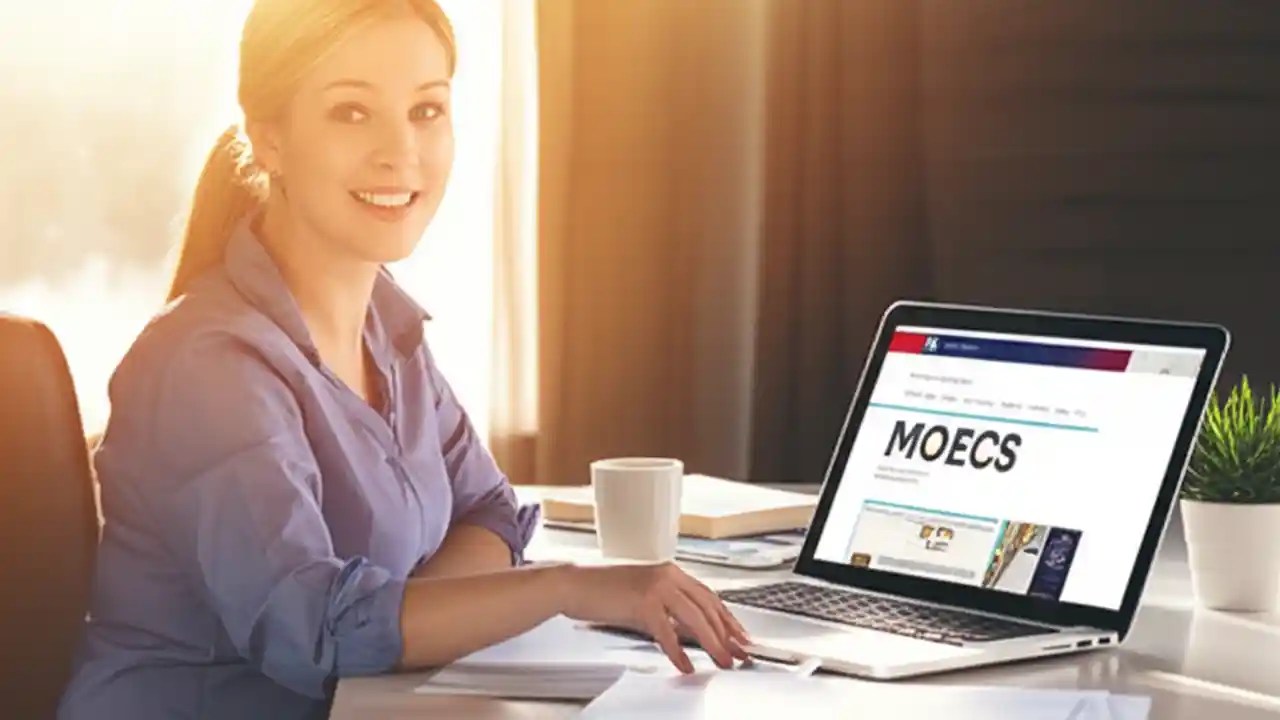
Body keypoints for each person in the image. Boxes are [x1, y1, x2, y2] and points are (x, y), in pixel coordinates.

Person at [57, 1, 749, 718]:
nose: (401, 152)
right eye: (352, 113)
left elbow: (489, 513)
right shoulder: (206, 367)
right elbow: (312, 632)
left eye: (426, 111)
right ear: (268, 139)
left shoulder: (388, 328)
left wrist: (410, 624)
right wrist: (570, 585)